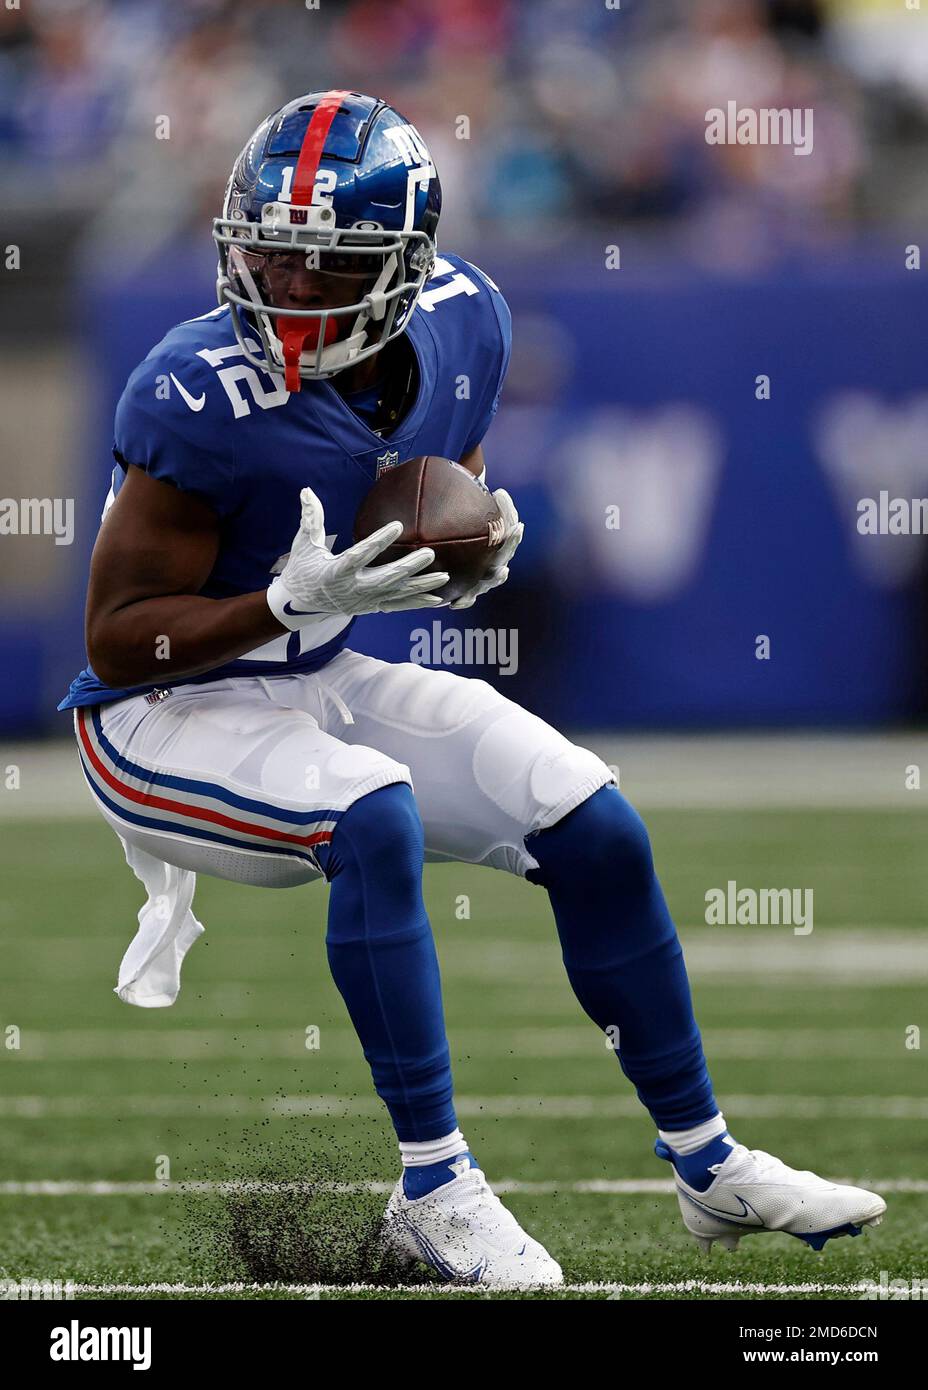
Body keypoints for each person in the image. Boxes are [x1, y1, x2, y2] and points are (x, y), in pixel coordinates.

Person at [60, 89, 884, 1287]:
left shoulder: (466, 322)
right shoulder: (197, 390)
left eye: (318, 263)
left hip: (315, 668)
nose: (280, 286)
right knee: (372, 809)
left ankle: (710, 1166)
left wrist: (473, 548)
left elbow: (447, 484)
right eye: (265, 252)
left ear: (404, 268)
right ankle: (434, 1190)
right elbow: (121, 638)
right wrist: (281, 603)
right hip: (161, 715)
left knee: (588, 816)